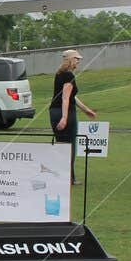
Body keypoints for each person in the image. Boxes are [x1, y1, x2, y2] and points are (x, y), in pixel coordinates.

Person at [49, 49, 98, 184]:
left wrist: (86, 110)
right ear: (70, 59)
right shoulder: (68, 75)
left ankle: (60, 176)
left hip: (54, 111)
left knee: (61, 145)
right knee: (70, 146)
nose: (78, 61)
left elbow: (71, 97)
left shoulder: (59, 74)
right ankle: (68, 178)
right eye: (77, 59)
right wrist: (64, 118)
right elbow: (66, 98)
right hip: (65, 113)